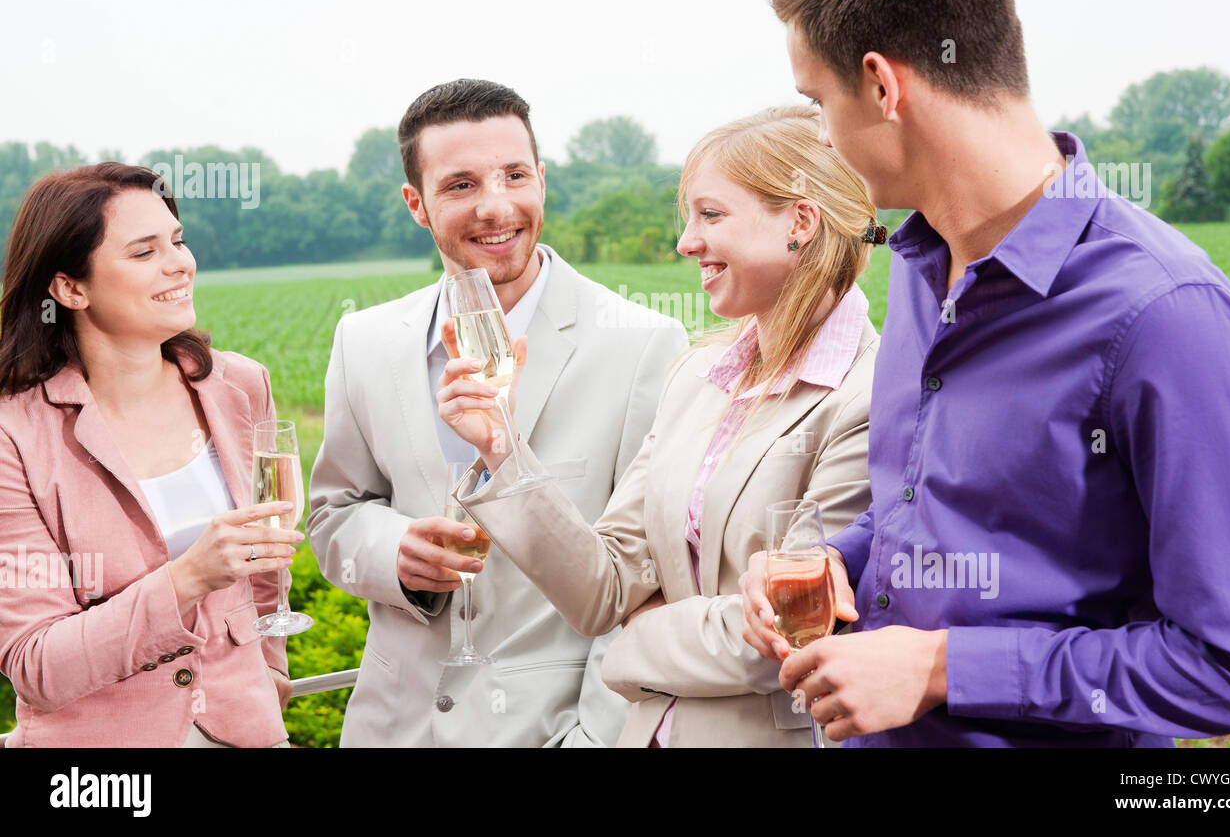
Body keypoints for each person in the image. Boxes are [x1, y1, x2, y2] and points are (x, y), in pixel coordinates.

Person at [741, 0, 1230, 746]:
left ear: (882, 85)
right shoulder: (922, 267)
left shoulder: (1166, 316)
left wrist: (941, 670)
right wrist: (838, 563)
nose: (820, 138)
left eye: (817, 104)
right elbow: (939, 517)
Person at [439, 105, 884, 746]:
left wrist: (633, 647)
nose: (686, 242)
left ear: (801, 222)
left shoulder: (868, 396)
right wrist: (504, 450)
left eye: (711, 215)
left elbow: (794, 632)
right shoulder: (694, 378)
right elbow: (605, 588)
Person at [307, 78, 687, 747]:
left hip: (552, 731)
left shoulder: (644, 344)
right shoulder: (363, 341)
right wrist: (393, 553)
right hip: (391, 729)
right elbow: (334, 514)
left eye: (515, 175)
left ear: (541, 180)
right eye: (460, 185)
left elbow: (651, 574)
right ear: (415, 204)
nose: (497, 206)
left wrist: (594, 739)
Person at [0, 162, 301, 748]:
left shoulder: (239, 385)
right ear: (70, 288)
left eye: (178, 241)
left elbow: (268, 566)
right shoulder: (13, 432)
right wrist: (187, 579)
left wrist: (272, 665)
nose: (180, 263)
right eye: (144, 252)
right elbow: (37, 665)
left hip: (248, 734)